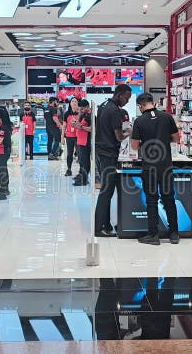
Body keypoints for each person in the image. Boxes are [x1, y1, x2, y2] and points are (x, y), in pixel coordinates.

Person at [130, 93, 181, 245]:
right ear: (153, 102)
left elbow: (134, 146)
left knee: (152, 199)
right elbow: (177, 139)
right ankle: (174, 234)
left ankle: (153, 235)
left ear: (141, 106)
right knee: (169, 198)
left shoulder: (139, 121)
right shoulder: (167, 117)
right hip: (165, 165)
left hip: (149, 166)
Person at [94, 84, 133, 237]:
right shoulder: (116, 111)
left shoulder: (104, 105)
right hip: (109, 154)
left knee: (107, 190)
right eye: (127, 98)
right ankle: (99, 228)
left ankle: (106, 224)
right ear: (119, 95)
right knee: (106, 191)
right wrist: (130, 131)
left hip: (101, 152)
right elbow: (119, 136)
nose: (127, 101)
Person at [72, 99, 92, 186]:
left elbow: (92, 129)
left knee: (85, 162)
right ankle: (82, 177)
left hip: (85, 142)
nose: (80, 110)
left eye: (82, 109)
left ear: (87, 107)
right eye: (79, 109)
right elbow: (79, 124)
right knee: (81, 161)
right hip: (80, 141)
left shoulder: (90, 116)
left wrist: (81, 127)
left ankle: (84, 179)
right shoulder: (83, 115)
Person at [63, 97, 80, 176]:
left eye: (75, 101)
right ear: (70, 103)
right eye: (72, 101)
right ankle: (69, 169)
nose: (74, 102)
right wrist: (62, 137)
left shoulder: (80, 113)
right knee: (69, 154)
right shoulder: (66, 113)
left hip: (78, 136)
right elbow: (64, 126)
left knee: (79, 154)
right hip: (69, 136)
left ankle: (81, 171)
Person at [45, 97, 63, 161]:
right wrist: (60, 125)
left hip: (48, 127)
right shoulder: (53, 108)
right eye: (56, 101)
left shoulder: (46, 109)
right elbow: (55, 118)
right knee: (58, 139)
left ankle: (49, 154)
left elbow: (45, 119)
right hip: (54, 127)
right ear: (53, 102)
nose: (57, 103)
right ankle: (52, 154)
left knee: (50, 140)